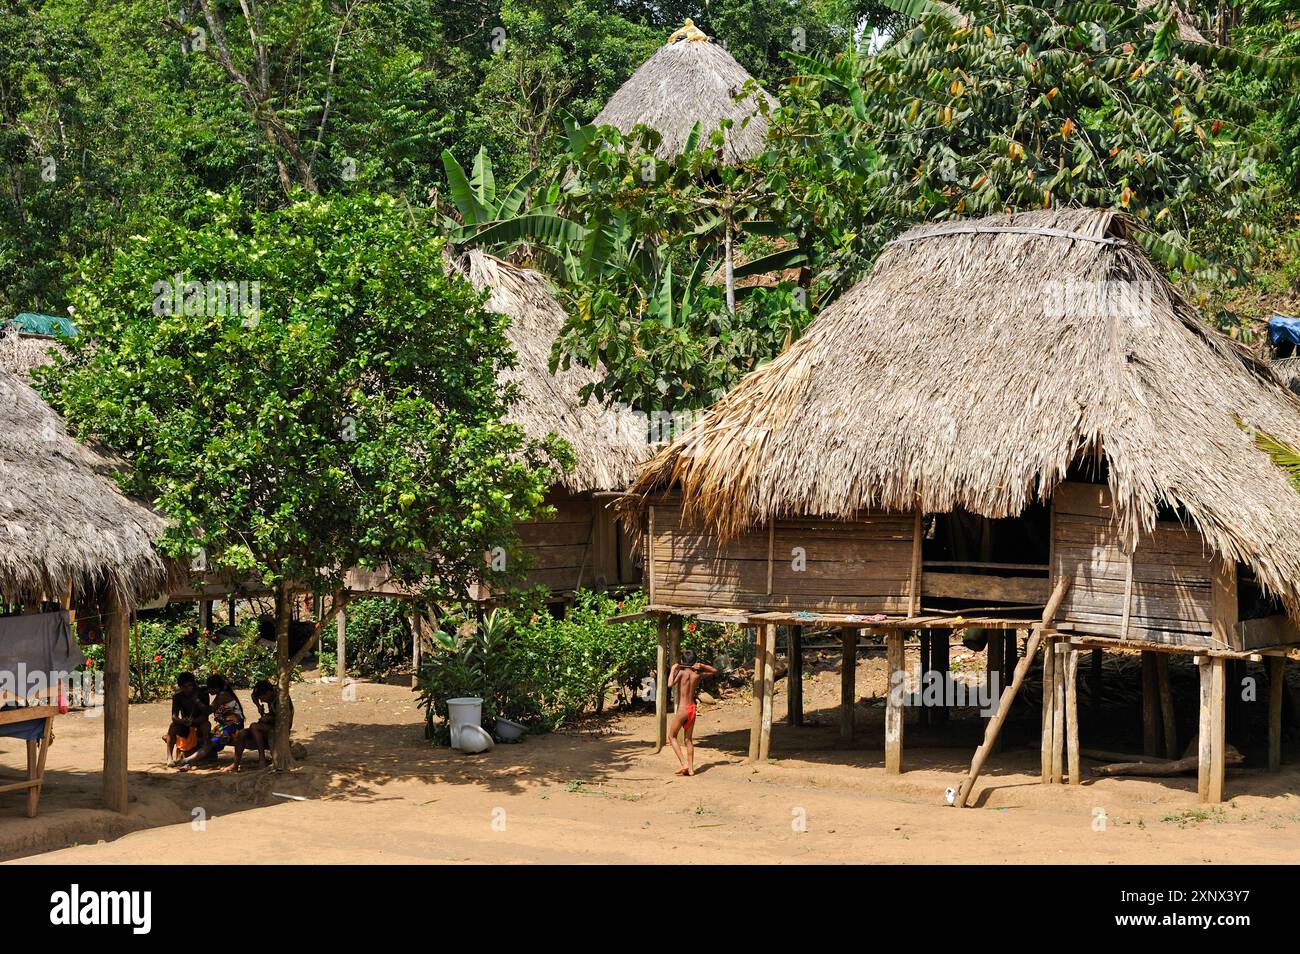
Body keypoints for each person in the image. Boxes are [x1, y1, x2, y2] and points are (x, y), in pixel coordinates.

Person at [666, 650, 717, 777]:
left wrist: (673, 669)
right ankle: (691, 769)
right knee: (688, 739)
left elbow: (670, 684)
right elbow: (714, 671)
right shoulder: (697, 675)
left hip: (683, 709)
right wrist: (702, 666)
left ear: (683, 662)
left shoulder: (682, 673)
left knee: (672, 736)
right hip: (692, 709)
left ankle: (684, 764)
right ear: (694, 662)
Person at [177, 675, 244, 770]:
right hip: (227, 726)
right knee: (207, 739)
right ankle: (194, 759)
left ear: (215, 688)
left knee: (211, 742)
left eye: (210, 689)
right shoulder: (222, 694)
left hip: (233, 726)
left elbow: (207, 710)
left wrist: (196, 700)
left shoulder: (222, 695)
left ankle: (187, 760)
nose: (209, 691)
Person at [225, 679, 276, 772]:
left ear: (268, 693)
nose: (261, 700)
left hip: (277, 730)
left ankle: (262, 758)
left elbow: (285, 720)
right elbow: (253, 696)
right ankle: (235, 764)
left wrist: (269, 718)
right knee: (241, 733)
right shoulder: (268, 694)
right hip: (267, 726)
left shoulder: (281, 699)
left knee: (254, 726)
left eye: (262, 698)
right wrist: (258, 706)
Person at [163, 672, 209, 768]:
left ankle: (205, 749)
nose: (188, 689)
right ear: (180, 687)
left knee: (206, 725)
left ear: (194, 684)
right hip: (184, 723)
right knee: (172, 726)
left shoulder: (202, 694)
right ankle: (169, 757)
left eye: (190, 686)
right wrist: (183, 721)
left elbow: (205, 715)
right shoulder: (177, 696)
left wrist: (194, 720)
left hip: (199, 722)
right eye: (184, 686)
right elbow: (174, 717)